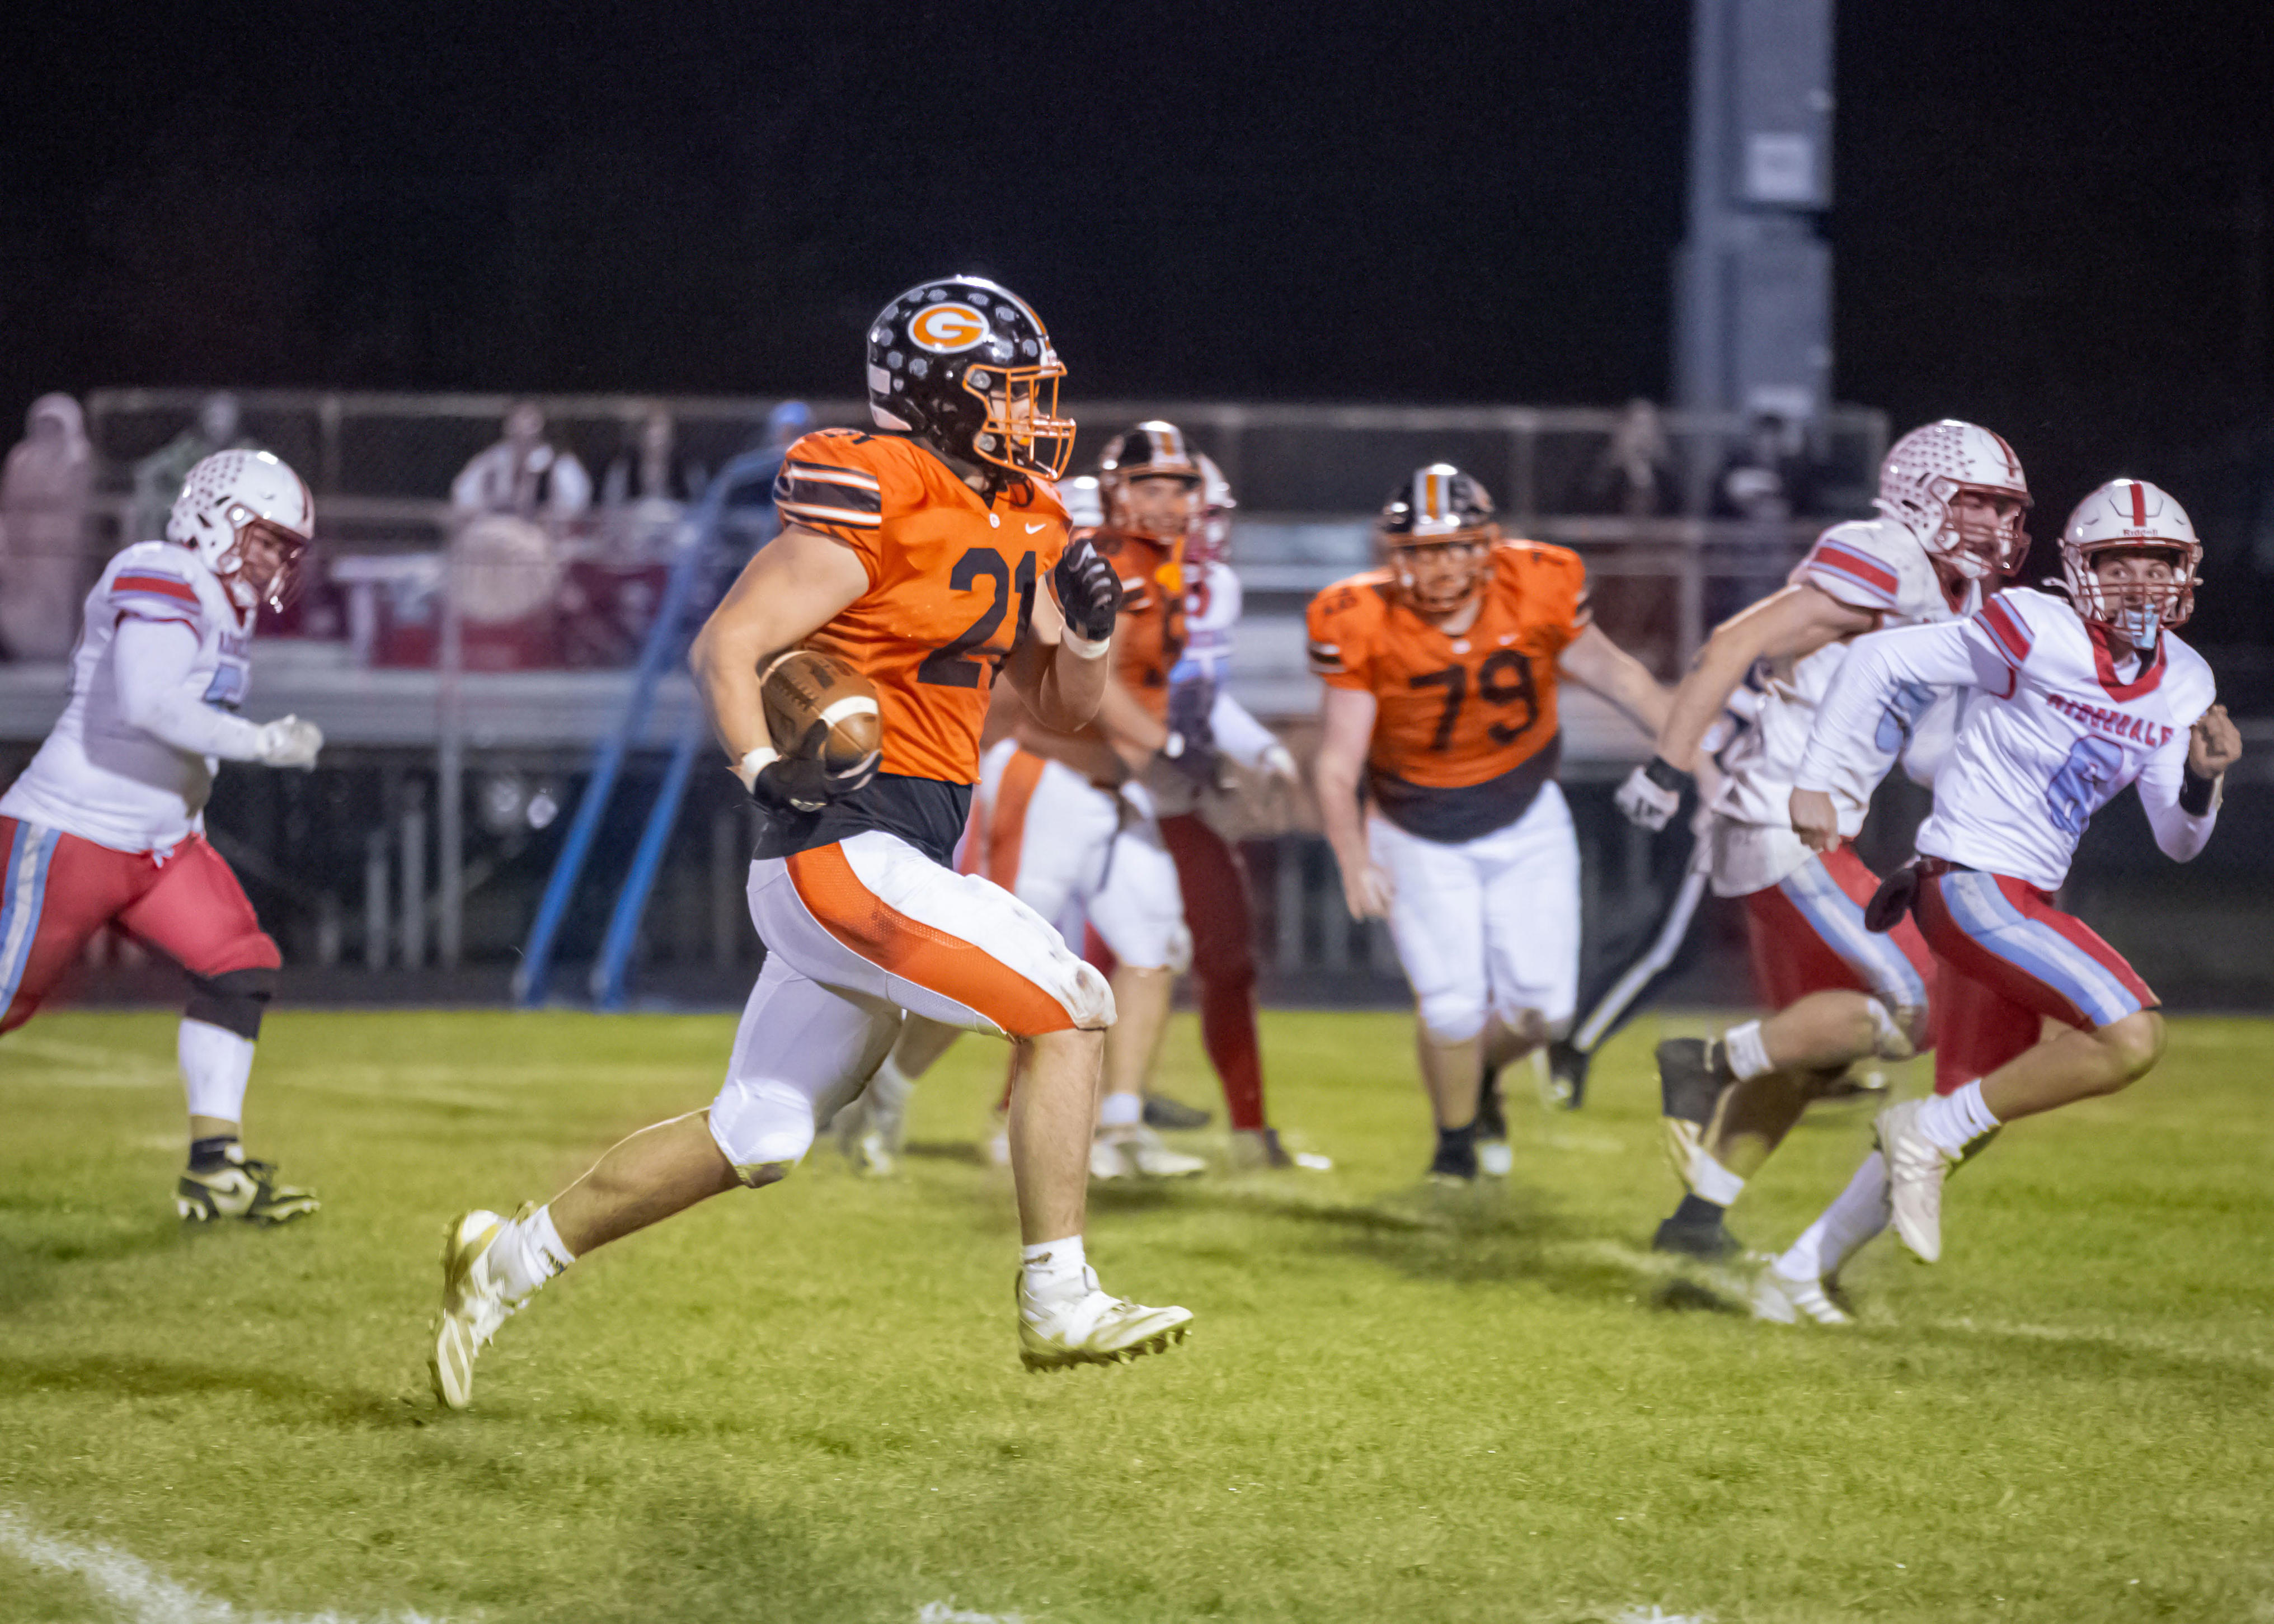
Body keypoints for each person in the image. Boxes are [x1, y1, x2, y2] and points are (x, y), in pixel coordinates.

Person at [427, 276, 1192, 1409]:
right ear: (936, 397)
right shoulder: (880, 488)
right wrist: (759, 768)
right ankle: (1058, 1297)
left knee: (762, 1129)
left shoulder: (1027, 512)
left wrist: (1087, 630)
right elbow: (726, 645)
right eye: (1006, 390)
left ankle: (500, 1259)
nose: (1032, 414)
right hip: (839, 840)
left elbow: (1060, 709)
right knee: (1072, 1000)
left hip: (902, 851)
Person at [1752, 478, 2238, 1319]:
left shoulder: (2185, 678)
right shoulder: (2034, 625)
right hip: (1971, 884)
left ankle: (1796, 1271)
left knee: (1971, 1110)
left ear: (2183, 572)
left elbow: (2178, 839)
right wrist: (1817, 779)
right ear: (2081, 570)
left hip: (2018, 892)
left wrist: (2200, 781)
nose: (2137, 582)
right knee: (2131, 1036)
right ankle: (1922, 1135)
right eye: (2115, 562)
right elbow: (1879, 657)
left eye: (2154, 562)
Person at [1614, 420, 2032, 1265]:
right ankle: (1703, 1059)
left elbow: (1925, 752)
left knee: (1820, 1043)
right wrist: (1667, 765)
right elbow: (1734, 642)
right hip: (1778, 819)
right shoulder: (1884, 554)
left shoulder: (1961, 599)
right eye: (1976, 501)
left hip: (1814, 828)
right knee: (1918, 999)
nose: (1993, 524)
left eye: (2004, 507)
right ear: (1921, 494)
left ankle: (1698, 1218)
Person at [1310, 465, 1670, 1182]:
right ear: (1393, 554)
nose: (1437, 567)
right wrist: (1353, 857)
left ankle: (1473, 1079)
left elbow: (1624, 678)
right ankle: (1453, 1148)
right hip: (1414, 826)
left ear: (1487, 545)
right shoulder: (1353, 615)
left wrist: (1691, 757)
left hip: (1524, 815)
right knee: (1448, 1009)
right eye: (1418, 551)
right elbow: (1335, 761)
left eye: (1453, 547)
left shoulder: (1540, 582)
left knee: (1543, 1011)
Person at [0, 450, 325, 1221]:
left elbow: (184, 734)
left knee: (238, 964)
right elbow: (148, 702)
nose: (278, 559)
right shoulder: (158, 570)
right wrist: (265, 743)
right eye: (270, 539)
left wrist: (194, 809)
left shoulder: (225, 602)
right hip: (75, 829)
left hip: (160, 843)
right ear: (219, 518)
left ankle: (215, 1169)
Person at [1146, 453, 1323, 1169]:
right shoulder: (1118, 571)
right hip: (1098, 789)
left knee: (1225, 955)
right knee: (1103, 956)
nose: (1212, 530)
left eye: (1218, 515)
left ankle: (1248, 1129)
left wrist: (1258, 751)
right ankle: (1020, 1116)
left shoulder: (1214, 587)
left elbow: (1198, 695)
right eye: (1202, 514)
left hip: (1173, 789)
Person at [1, 394, 95, 660]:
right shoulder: (21, 459)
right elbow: (10, 503)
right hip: (27, 551)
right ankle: (29, 649)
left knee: (62, 605)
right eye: (44, 424)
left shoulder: (81, 459)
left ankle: (62, 650)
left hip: (65, 551)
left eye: (55, 424)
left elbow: (85, 505)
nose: (48, 431)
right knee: (27, 605)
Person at [130, 392, 257, 552]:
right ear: (203, 418)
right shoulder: (189, 448)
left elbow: (275, 472)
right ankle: (151, 555)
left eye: (225, 416)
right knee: (151, 509)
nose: (218, 423)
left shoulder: (247, 450)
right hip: (190, 510)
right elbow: (148, 469)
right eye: (213, 416)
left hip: (234, 512)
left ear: (236, 420)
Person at [449, 401, 591, 521]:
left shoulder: (559, 461)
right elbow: (463, 495)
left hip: (544, 533)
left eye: (530, 418)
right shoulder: (491, 460)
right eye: (517, 418)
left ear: (541, 424)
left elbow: (575, 504)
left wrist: (546, 513)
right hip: (499, 531)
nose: (522, 424)